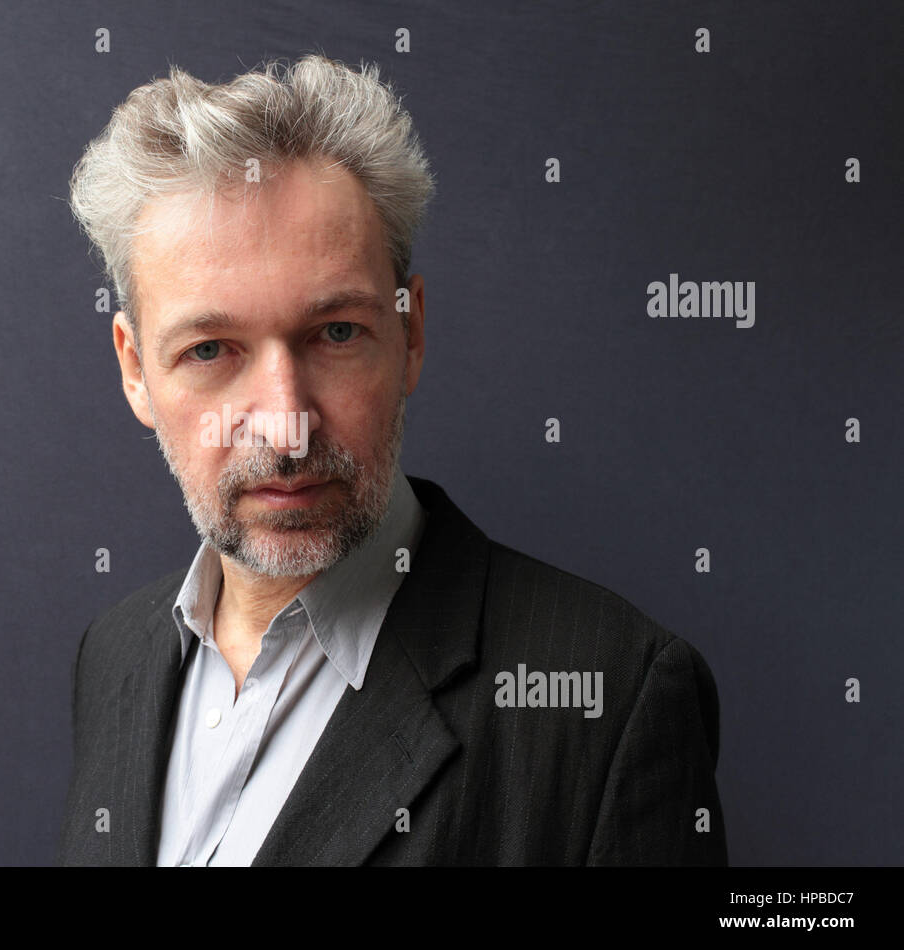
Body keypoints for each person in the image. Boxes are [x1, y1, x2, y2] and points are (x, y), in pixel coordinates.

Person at [56, 53, 727, 866]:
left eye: (336, 333)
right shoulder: (115, 656)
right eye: (210, 350)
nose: (287, 426)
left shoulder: (613, 698)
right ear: (134, 369)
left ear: (410, 335)